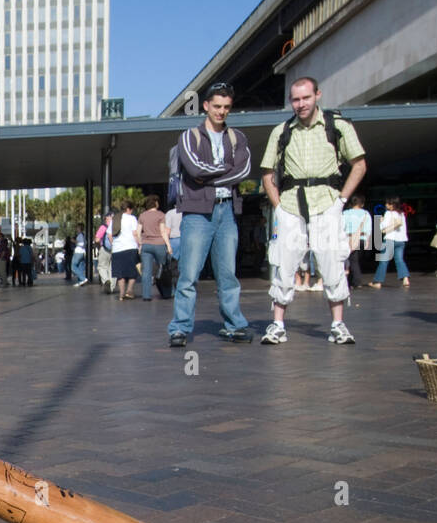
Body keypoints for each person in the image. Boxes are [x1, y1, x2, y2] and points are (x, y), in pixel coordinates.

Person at [258, 77, 367, 345]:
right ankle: (277, 324)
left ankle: (338, 325)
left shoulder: (337, 126)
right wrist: (279, 207)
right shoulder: (282, 131)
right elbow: (267, 172)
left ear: (317, 95)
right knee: (284, 265)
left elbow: (359, 164)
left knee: (332, 264)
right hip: (291, 206)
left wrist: (341, 200)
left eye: (306, 97)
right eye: (295, 99)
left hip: (326, 204)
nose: (301, 104)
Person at [167, 82, 254, 346]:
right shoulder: (189, 136)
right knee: (189, 274)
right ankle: (179, 328)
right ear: (205, 105)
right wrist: (224, 172)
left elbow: (243, 171)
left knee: (228, 274)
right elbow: (194, 170)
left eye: (226, 107)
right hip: (196, 213)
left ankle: (234, 325)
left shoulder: (237, 138)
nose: (221, 112)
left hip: (226, 211)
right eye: (217, 106)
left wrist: (210, 178)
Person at [136, 195, 171, 302]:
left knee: (146, 271)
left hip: (146, 245)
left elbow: (138, 233)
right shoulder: (161, 215)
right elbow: (163, 231)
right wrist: (168, 245)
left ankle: (146, 295)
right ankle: (166, 292)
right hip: (159, 244)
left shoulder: (142, 216)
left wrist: (140, 244)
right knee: (163, 268)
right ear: (155, 203)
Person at [369, 196, 409, 289]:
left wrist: (381, 221)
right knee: (399, 260)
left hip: (390, 239)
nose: (386, 205)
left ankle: (378, 281)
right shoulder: (402, 214)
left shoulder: (388, 213)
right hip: (401, 240)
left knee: (383, 261)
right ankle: (405, 278)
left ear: (392, 205)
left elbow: (382, 228)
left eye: (388, 203)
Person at [109, 201, 140, 300]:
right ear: (128, 209)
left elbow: (109, 235)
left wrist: (114, 244)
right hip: (130, 247)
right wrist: (139, 244)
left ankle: (121, 293)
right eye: (131, 210)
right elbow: (135, 233)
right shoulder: (132, 218)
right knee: (133, 271)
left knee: (120, 273)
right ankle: (129, 291)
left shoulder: (115, 219)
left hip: (117, 249)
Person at [341, 194, 370, 289]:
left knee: (352, 260)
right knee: (356, 260)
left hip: (350, 238)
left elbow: (342, 227)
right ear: (361, 204)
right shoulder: (366, 214)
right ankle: (353, 281)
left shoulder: (346, 213)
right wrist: (368, 241)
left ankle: (356, 281)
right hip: (362, 239)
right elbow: (369, 228)